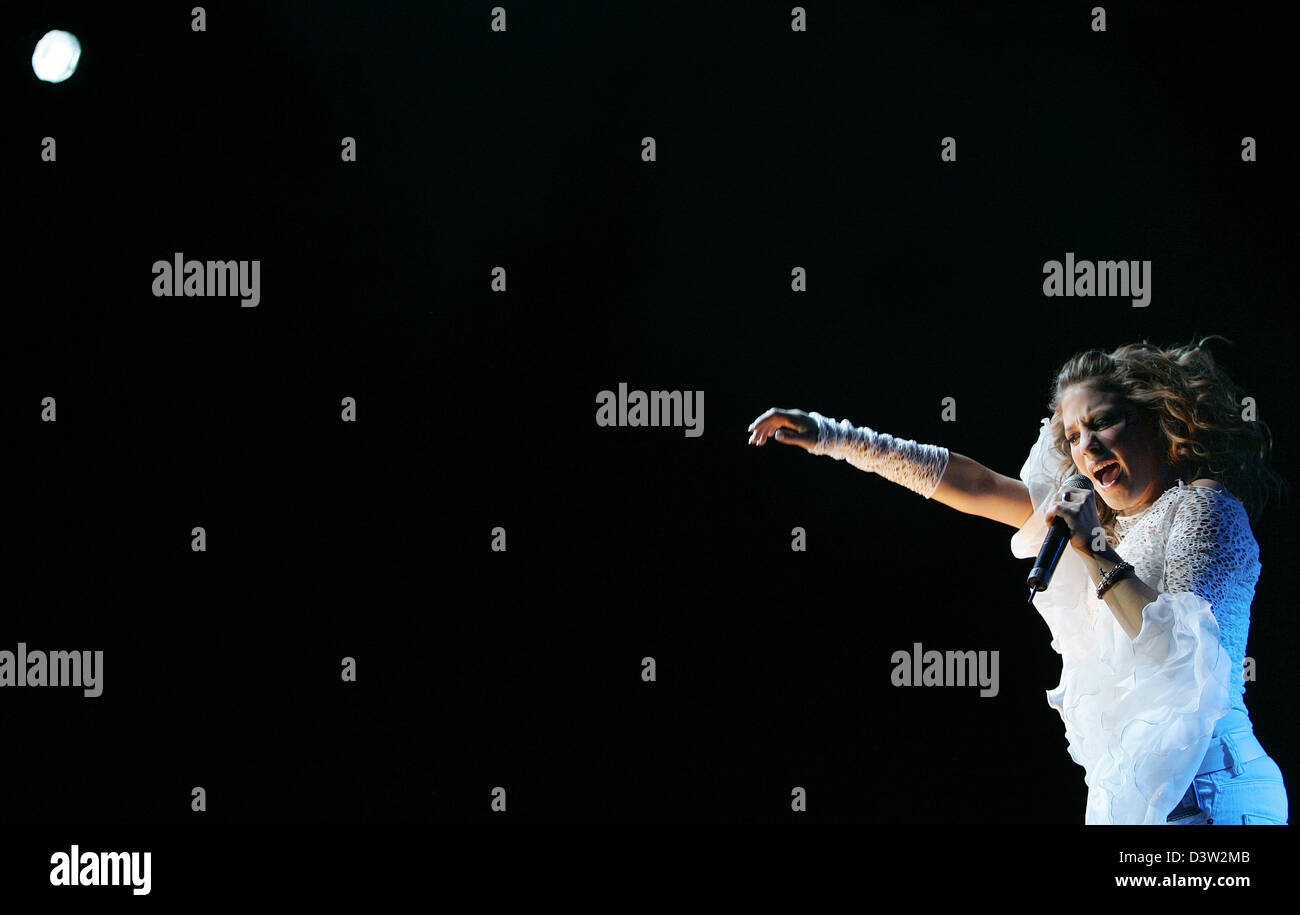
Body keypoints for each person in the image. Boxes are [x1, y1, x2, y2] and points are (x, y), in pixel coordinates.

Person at [747, 336, 1289, 825]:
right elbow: (975, 483)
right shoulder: (1097, 524)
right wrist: (832, 436)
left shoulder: (1203, 506)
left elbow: (1179, 655)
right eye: (1074, 436)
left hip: (1213, 789)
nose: (1088, 447)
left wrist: (1094, 549)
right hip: (1139, 794)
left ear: (1154, 421)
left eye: (1103, 423)